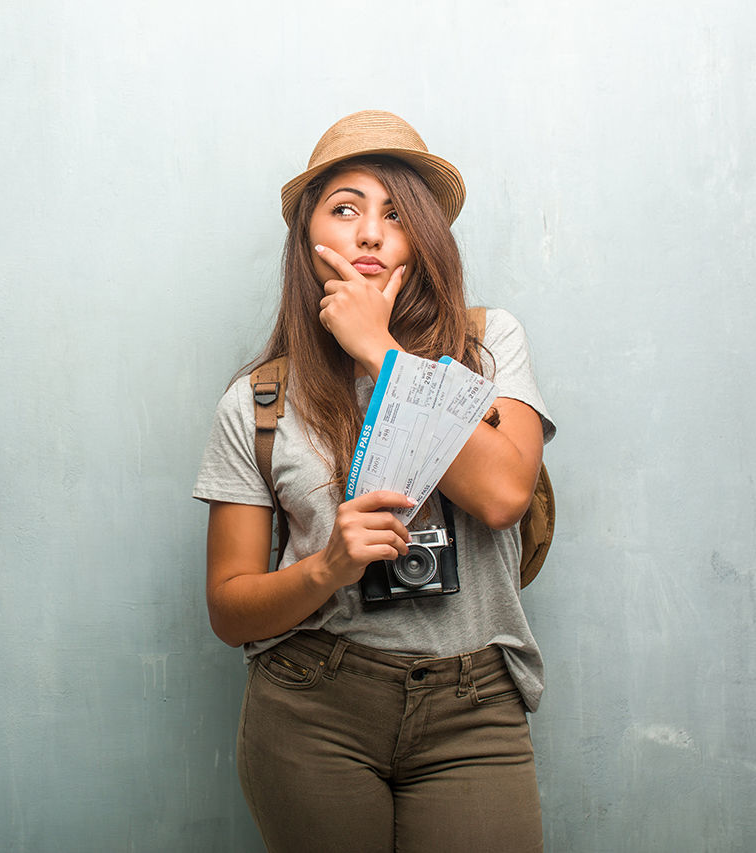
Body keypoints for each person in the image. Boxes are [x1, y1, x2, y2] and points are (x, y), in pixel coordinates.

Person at [192, 110, 555, 852]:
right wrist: (328, 566)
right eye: (345, 208)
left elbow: (502, 497)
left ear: (425, 237)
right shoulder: (259, 401)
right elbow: (230, 610)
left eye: (396, 213)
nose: (369, 234)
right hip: (313, 704)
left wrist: (379, 351)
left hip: (473, 704)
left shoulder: (489, 346)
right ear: (308, 236)